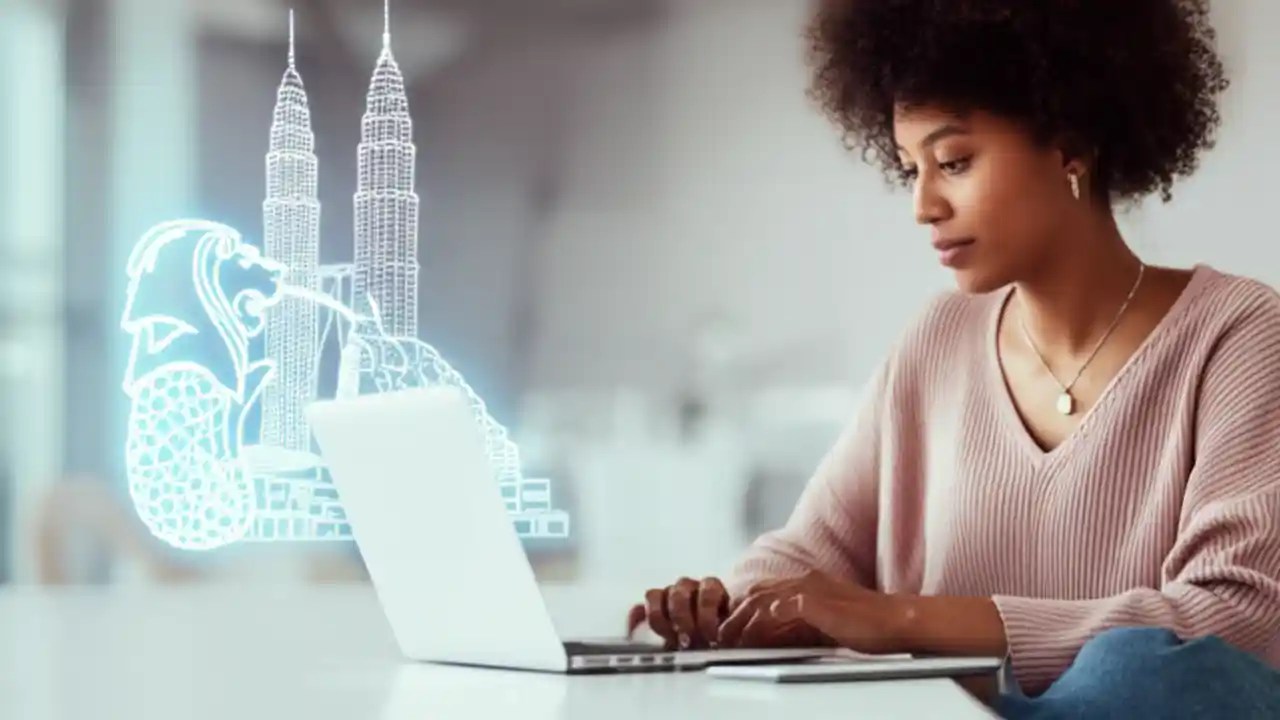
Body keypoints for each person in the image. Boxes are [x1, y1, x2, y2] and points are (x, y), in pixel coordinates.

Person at [626, 0, 1280, 716]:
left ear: (1071, 147)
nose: (924, 204)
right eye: (911, 168)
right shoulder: (937, 341)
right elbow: (807, 558)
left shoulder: (1238, 335)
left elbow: (1234, 621)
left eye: (954, 162)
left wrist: (902, 618)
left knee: (1135, 673)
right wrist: (722, 605)